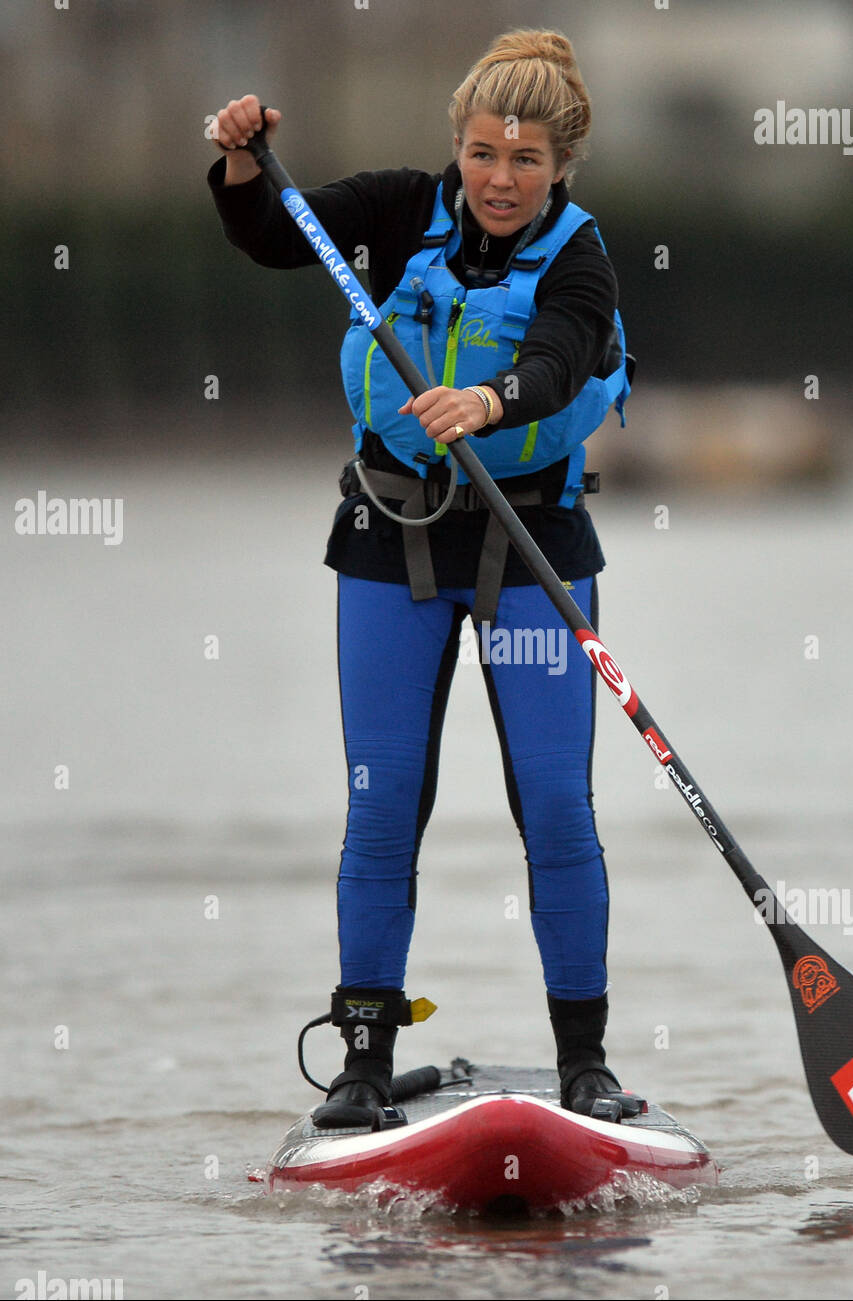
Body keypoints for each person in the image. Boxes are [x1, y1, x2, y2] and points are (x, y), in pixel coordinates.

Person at [209, 28, 640, 1126]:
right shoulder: (400, 207)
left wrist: (488, 402)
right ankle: (360, 1062)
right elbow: (271, 238)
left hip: (530, 545)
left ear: (562, 167)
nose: (500, 180)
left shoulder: (581, 256)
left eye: (526, 161)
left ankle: (584, 1062)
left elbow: (556, 356)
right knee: (381, 802)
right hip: (389, 538)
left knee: (554, 804)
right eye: (485, 154)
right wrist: (243, 162)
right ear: (458, 144)